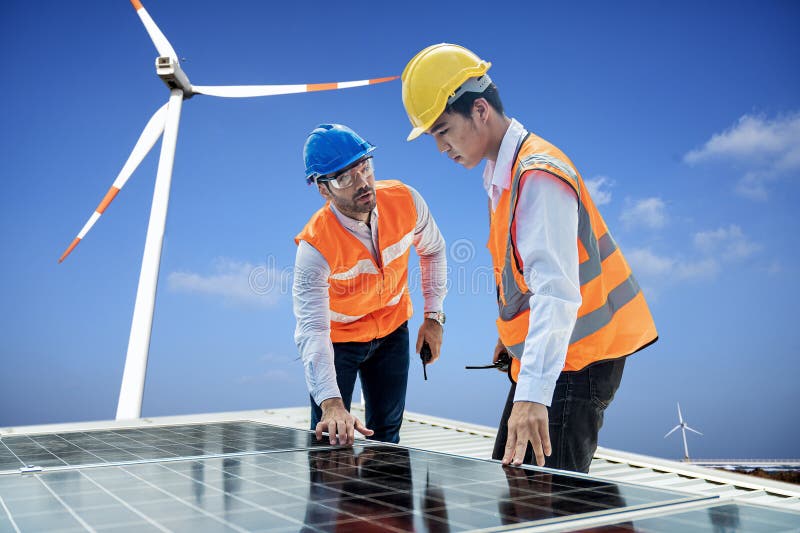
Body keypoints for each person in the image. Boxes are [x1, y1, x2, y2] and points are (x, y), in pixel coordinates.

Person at [401, 44, 657, 472]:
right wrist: (512, 338)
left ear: (479, 110)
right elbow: (524, 275)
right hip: (555, 357)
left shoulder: (535, 175)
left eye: (443, 130)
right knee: (517, 489)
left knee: (544, 503)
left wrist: (533, 395)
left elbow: (556, 294)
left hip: (577, 361)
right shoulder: (502, 174)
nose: (441, 147)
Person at [293, 123, 447, 446]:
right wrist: (332, 404)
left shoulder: (406, 201)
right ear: (324, 189)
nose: (362, 182)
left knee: (387, 437)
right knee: (329, 438)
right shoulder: (314, 247)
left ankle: (387, 499)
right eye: (344, 177)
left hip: (392, 333)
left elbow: (433, 249)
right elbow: (312, 332)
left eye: (365, 167)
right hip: (340, 342)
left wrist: (434, 318)